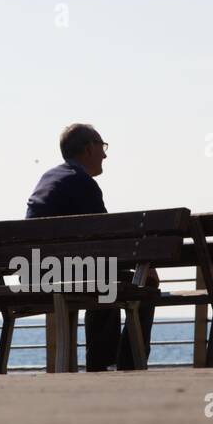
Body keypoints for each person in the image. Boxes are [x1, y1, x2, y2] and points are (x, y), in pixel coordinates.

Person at [25, 123, 156, 371]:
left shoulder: (49, 178)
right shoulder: (81, 182)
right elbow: (109, 240)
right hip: (60, 274)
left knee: (104, 276)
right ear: (88, 148)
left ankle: (101, 361)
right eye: (102, 146)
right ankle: (128, 364)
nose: (105, 155)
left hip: (34, 274)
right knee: (144, 281)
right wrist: (143, 264)